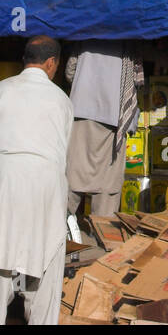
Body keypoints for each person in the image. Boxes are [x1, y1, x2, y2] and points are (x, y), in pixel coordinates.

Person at [0, 35, 72, 325]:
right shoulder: (62, 100)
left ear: (25, 60)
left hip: (0, 191)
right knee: (43, 288)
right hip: (45, 193)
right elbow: (62, 157)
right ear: (52, 63)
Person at [64, 40, 143, 218]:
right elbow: (136, 78)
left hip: (82, 112)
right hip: (116, 118)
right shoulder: (129, 38)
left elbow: (70, 72)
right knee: (108, 184)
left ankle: (60, 229)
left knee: (73, 176)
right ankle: (103, 233)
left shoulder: (86, 34)